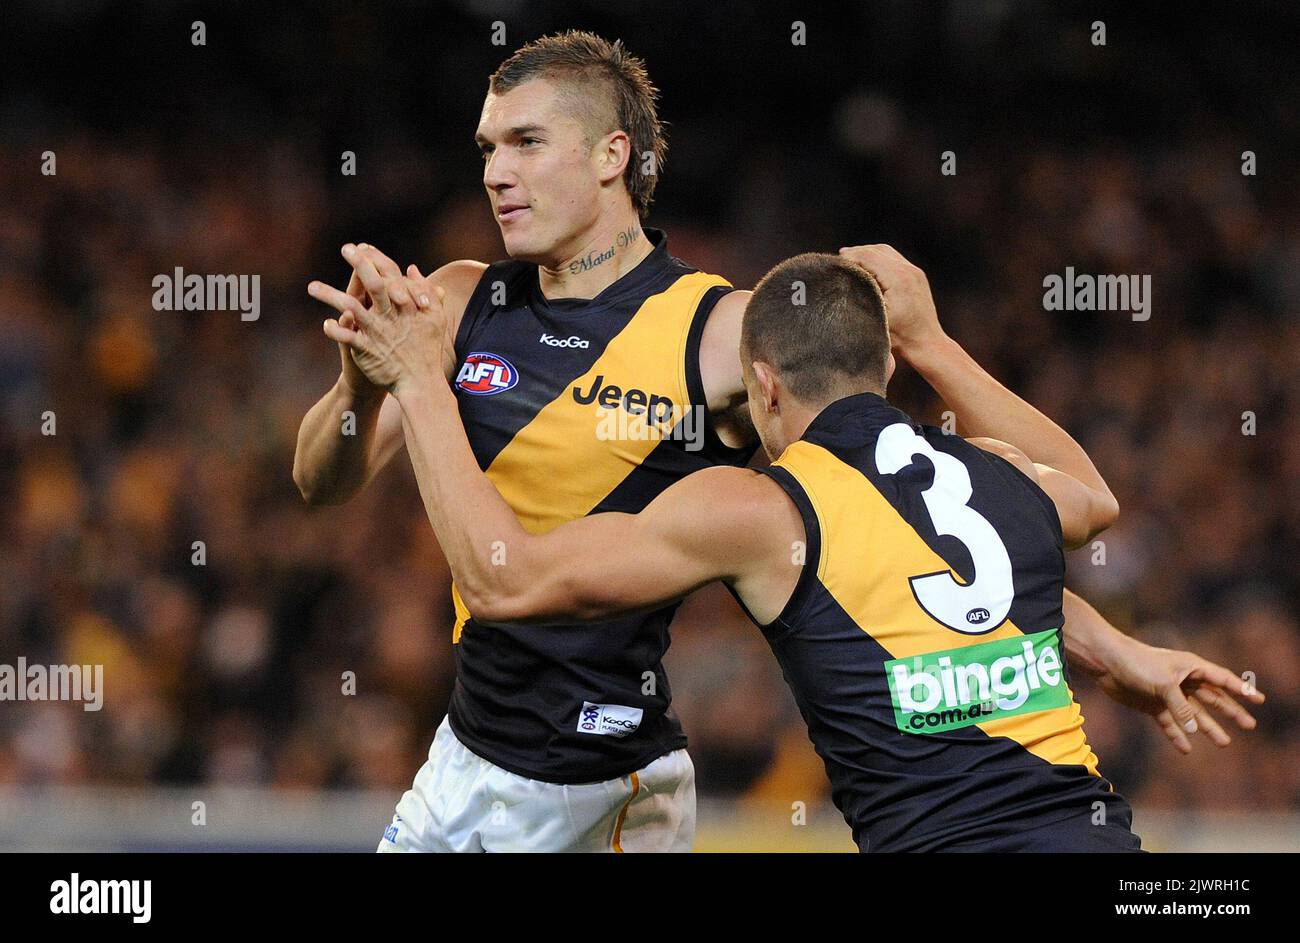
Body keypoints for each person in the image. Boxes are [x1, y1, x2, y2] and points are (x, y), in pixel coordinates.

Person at [298, 32, 1264, 852]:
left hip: (614, 771)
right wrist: (362, 378)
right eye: (485, 147)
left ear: (610, 156)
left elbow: (906, 515)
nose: (495, 171)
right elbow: (319, 479)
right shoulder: (458, 302)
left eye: (525, 142)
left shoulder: (724, 329)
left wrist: (1108, 646)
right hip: (475, 747)